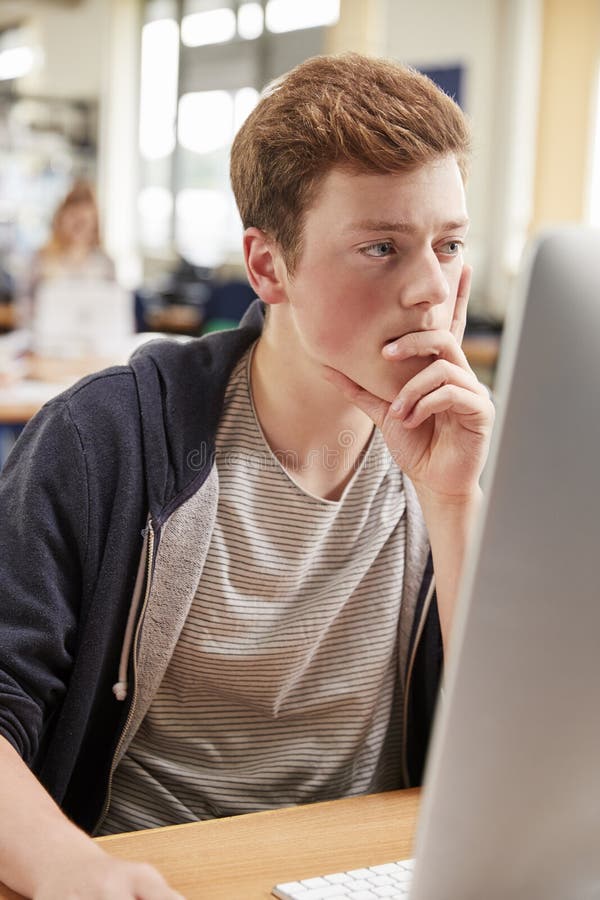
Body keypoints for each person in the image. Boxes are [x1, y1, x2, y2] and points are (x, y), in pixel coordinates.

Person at [0, 53, 494, 899]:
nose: (428, 289)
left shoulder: (471, 453)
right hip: (164, 875)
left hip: (373, 873)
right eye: (381, 247)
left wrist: (452, 504)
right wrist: (72, 869)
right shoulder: (105, 440)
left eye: (448, 245)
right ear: (268, 268)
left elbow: (523, 743)